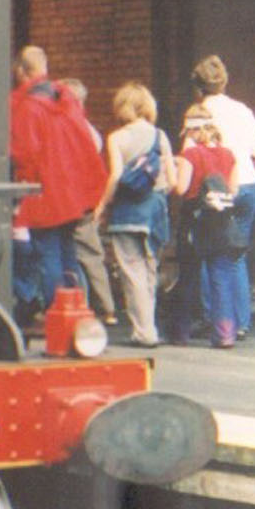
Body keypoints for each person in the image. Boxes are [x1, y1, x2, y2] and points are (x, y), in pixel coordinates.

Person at [9, 46, 108, 322]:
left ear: (21, 70)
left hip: (44, 192)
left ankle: (60, 318)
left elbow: (24, 154)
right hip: (72, 192)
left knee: (48, 255)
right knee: (68, 254)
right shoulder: (67, 100)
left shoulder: (27, 106)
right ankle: (78, 315)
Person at [92, 83, 173, 347]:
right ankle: (148, 326)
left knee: (132, 272)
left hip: (128, 212)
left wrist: (103, 205)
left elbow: (115, 175)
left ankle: (144, 332)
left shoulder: (116, 137)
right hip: (155, 210)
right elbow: (170, 181)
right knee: (150, 271)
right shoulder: (161, 136)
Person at [190, 55, 255, 340]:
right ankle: (241, 321)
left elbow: (190, 149)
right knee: (236, 253)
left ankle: (216, 319)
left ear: (198, 86)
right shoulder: (242, 109)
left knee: (212, 253)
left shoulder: (198, 112)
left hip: (215, 187)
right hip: (246, 184)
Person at [173, 105, 246, 347]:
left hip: (194, 223)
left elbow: (181, 189)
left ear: (193, 132)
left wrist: (173, 170)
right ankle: (225, 333)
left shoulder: (190, 156)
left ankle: (180, 333)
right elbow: (234, 190)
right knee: (221, 277)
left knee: (188, 276)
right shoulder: (229, 155)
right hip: (221, 223)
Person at [60, 78, 121, 326]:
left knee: (75, 255)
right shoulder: (91, 131)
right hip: (85, 200)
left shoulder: (67, 128)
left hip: (70, 200)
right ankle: (107, 308)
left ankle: (92, 306)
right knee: (91, 256)